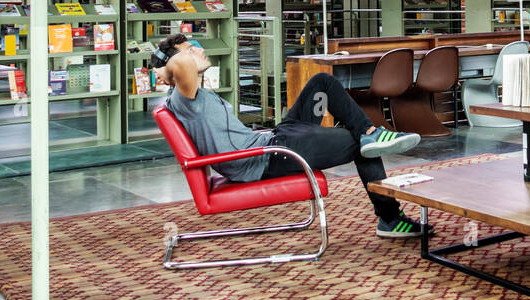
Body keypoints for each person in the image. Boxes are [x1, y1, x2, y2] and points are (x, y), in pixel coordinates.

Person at [153, 34, 431, 238]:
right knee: (359, 145)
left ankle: (370, 133)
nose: (199, 51)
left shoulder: (195, 95)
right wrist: (165, 64)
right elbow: (179, 66)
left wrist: (178, 56)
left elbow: (180, 64)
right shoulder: (184, 98)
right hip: (266, 158)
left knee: (322, 84)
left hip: (274, 139)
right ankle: (389, 217)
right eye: (191, 49)